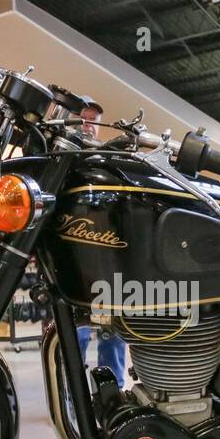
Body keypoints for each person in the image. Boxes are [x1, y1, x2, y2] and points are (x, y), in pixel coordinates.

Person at [72, 97, 127, 384]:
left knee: (113, 333)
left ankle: (113, 392)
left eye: (93, 121)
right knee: (75, 335)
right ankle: (72, 394)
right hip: (74, 262)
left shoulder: (108, 161)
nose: (89, 126)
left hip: (107, 260)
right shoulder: (65, 161)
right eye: (84, 119)